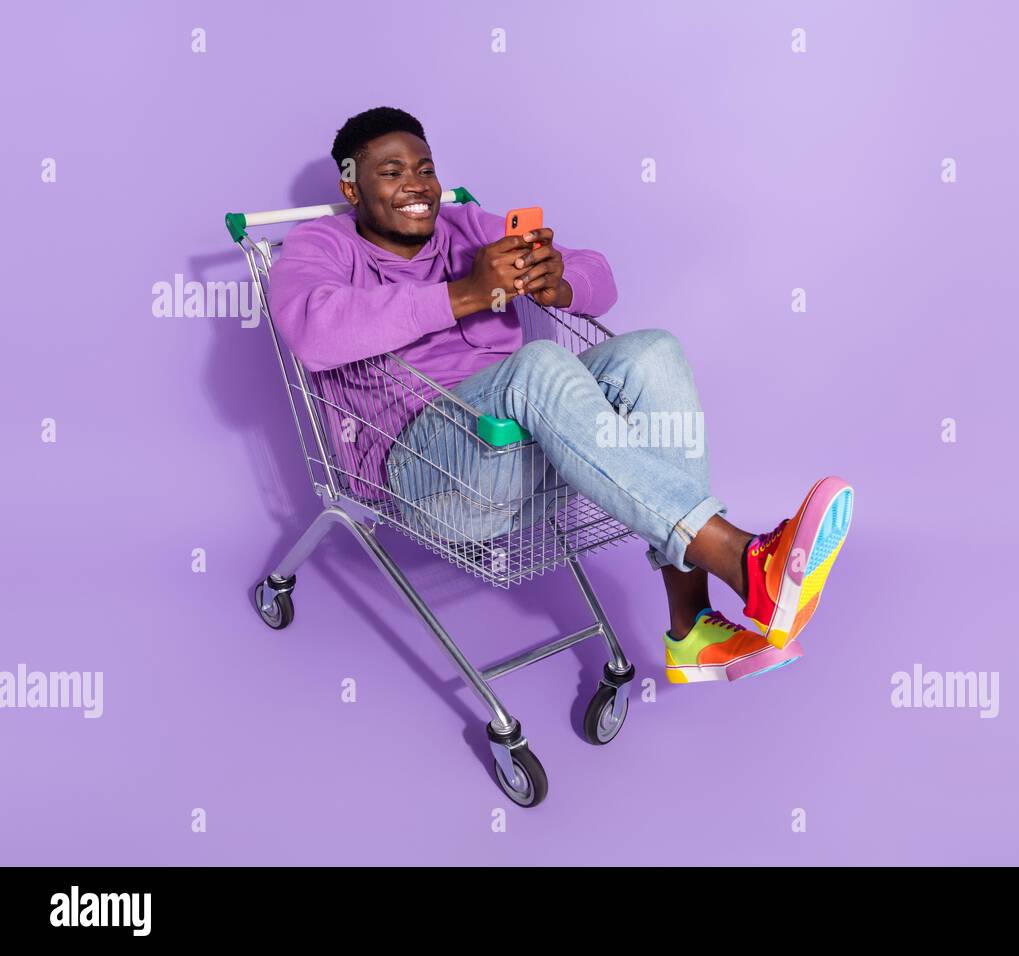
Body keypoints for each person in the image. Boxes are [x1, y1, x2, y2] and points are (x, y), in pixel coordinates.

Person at [269, 106, 854, 684]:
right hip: (429, 480)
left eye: (425, 168)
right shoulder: (321, 245)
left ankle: (692, 626)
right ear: (351, 185)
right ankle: (743, 561)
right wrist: (466, 294)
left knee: (653, 351)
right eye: (391, 172)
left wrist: (562, 280)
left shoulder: (465, 224)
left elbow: (600, 275)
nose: (416, 186)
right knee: (541, 362)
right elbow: (312, 332)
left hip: (539, 458)